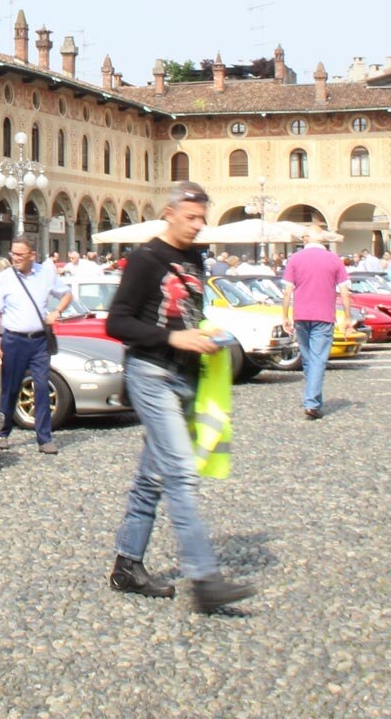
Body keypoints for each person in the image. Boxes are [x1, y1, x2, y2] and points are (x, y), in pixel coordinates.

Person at [105, 182, 255, 613]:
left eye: (202, 218)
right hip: (151, 373)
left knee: (152, 477)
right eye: (190, 217)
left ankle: (126, 565)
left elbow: (188, 312)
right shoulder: (145, 260)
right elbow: (117, 323)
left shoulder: (193, 258)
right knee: (180, 472)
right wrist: (175, 337)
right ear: (169, 213)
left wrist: (205, 334)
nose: (198, 226)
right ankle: (204, 579)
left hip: (186, 374)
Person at [0, 239, 72, 454]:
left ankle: (44, 438)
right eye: (13, 253)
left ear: (32, 255)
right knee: (11, 387)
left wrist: (57, 312)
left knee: (41, 386)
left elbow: (67, 294)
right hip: (14, 340)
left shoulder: (45, 274)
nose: (15, 258)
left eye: (20, 254)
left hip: (39, 340)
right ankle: (3, 432)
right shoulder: (6, 277)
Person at [281, 236, 351, 419]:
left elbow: (287, 290)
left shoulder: (295, 259)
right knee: (318, 359)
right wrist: (348, 317)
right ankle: (312, 402)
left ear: (306, 239)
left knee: (308, 359)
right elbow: (345, 291)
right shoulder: (334, 258)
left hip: (301, 314)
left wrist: (285, 315)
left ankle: (313, 399)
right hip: (324, 315)